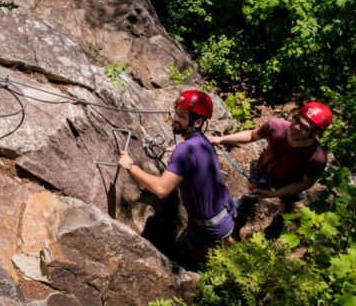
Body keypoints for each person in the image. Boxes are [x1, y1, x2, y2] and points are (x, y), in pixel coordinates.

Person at [118, 90, 234, 269]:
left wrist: (130, 166)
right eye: (176, 113)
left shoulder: (185, 150)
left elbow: (162, 190)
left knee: (200, 274)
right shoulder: (202, 142)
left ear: (198, 121)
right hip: (221, 219)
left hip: (209, 231)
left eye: (182, 115)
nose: (175, 119)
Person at [207, 101, 330, 239]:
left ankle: (279, 221)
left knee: (287, 204)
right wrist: (221, 139)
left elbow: (305, 183)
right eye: (296, 119)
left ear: (316, 132)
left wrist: (275, 194)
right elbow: (252, 135)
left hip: (290, 181)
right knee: (253, 188)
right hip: (264, 169)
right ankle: (246, 204)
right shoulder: (276, 126)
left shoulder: (317, 157)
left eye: (304, 127)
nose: (296, 126)